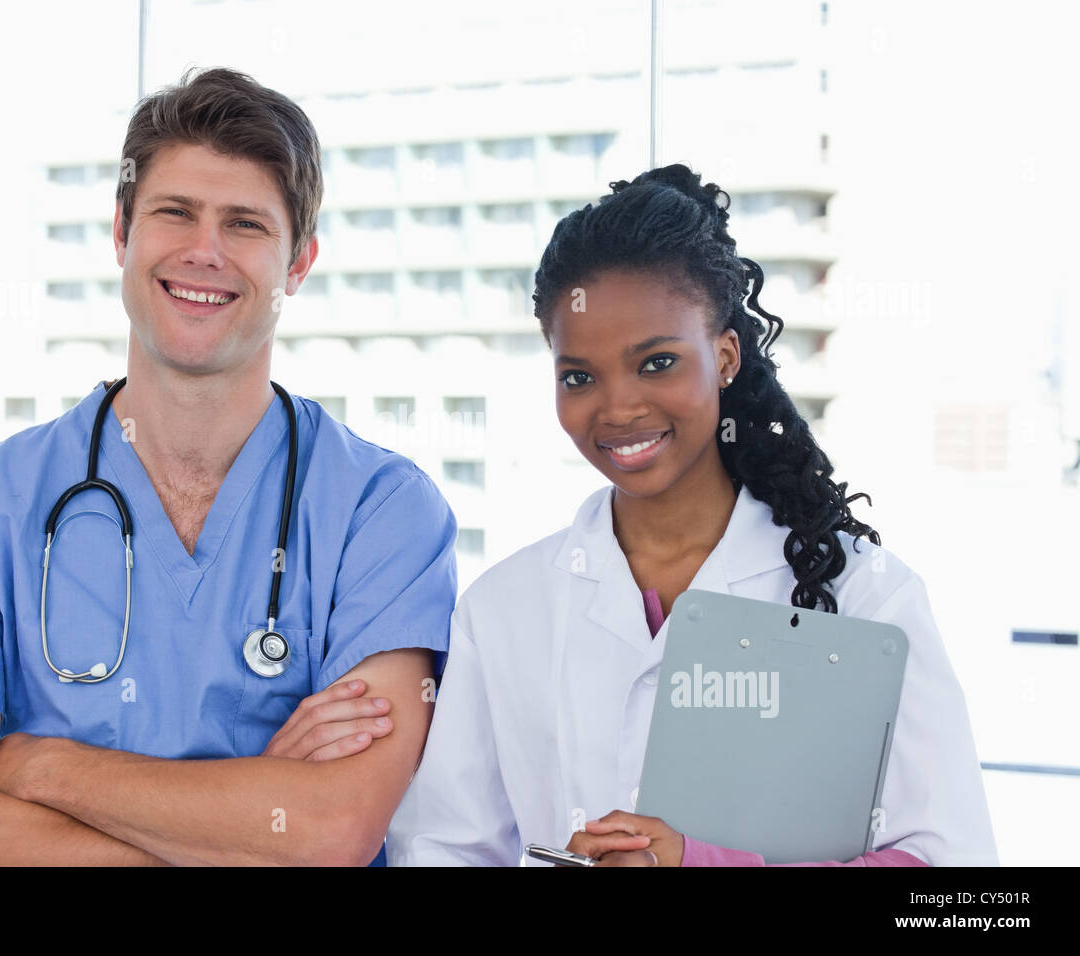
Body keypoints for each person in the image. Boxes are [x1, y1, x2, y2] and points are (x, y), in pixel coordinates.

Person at [0, 67, 456, 866]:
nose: (205, 252)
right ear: (122, 233)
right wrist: (247, 816)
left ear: (298, 264)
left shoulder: (382, 513)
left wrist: (40, 767)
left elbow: (328, 830)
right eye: (176, 214)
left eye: (245, 225)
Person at [386, 164, 997, 867]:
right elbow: (444, 849)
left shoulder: (867, 597)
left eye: (657, 363)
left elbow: (955, 880)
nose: (617, 409)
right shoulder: (502, 609)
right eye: (578, 376)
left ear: (726, 357)